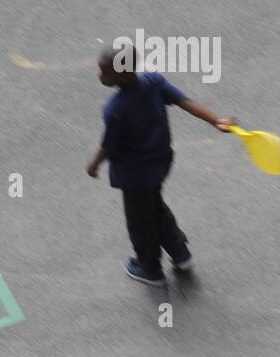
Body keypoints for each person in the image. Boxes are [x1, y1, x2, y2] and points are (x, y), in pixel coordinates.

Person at [87, 48, 234, 285]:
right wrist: (214, 120)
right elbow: (184, 101)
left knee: (140, 223)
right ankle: (180, 253)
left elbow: (109, 146)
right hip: (159, 164)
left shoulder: (115, 109)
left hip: (134, 177)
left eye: (104, 72)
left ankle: (150, 268)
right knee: (155, 208)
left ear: (122, 77)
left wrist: (93, 165)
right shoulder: (153, 81)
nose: (99, 76)